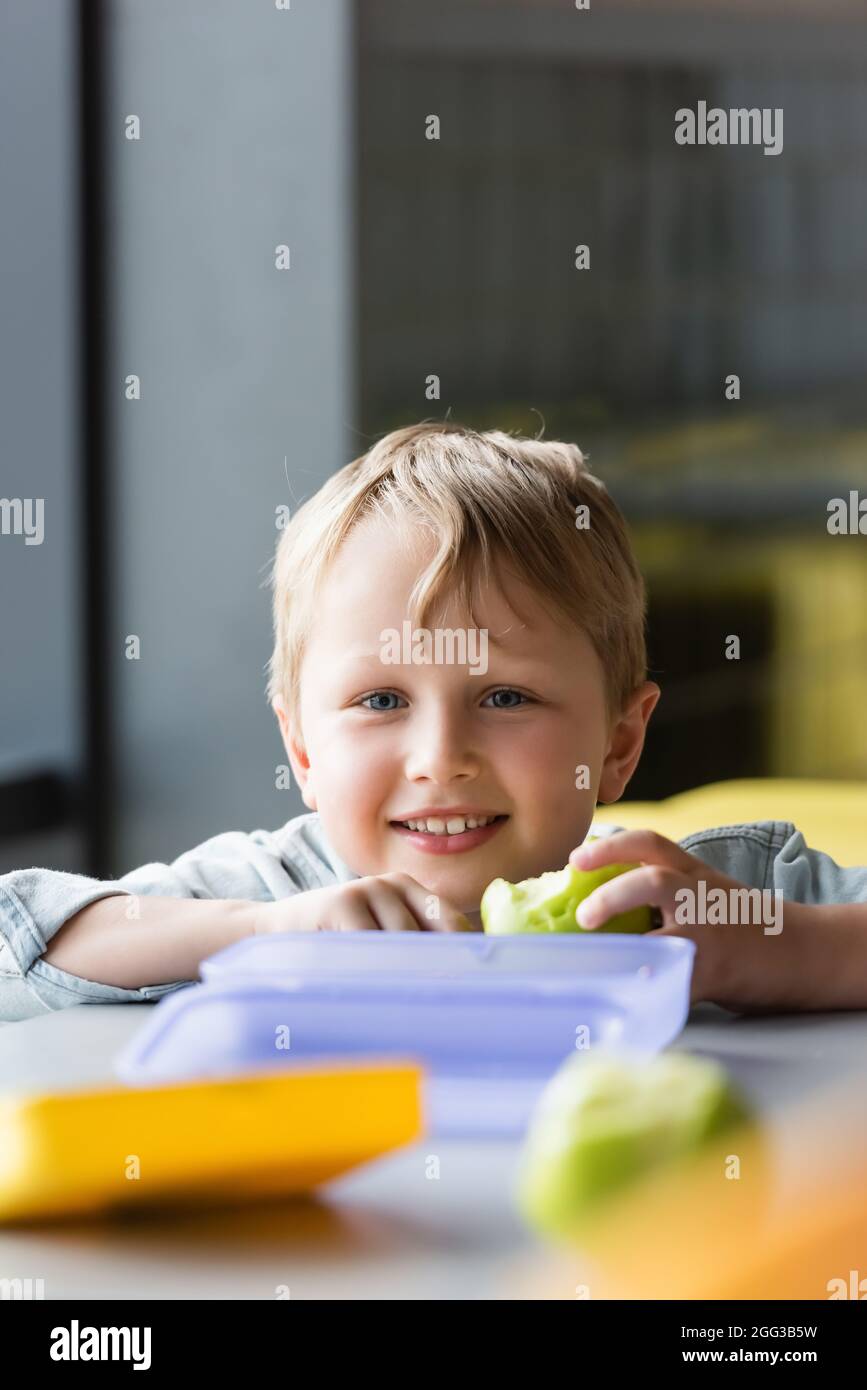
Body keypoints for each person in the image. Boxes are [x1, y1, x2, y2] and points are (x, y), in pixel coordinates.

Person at [2, 420, 865, 1023]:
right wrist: (263, 936)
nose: (440, 758)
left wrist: (793, 950)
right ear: (302, 748)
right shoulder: (274, 895)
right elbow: (20, 937)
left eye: (504, 697)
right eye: (381, 702)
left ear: (618, 742)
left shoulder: (712, 896)